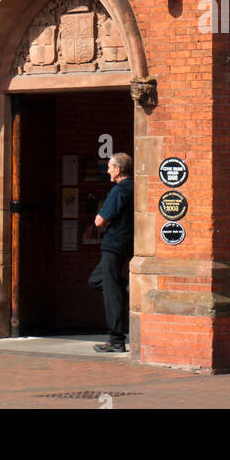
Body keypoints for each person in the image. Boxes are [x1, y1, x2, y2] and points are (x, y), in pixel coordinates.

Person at [91, 151, 133, 353]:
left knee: (111, 291)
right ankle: (129, 288)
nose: (107, 171)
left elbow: (100, 220)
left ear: (118, 169)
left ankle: (116, 340)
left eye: (109, 167)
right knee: (97, 280)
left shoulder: (118, 191)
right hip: (128, 244)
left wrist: (100, 218)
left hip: (114, 244)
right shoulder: (136, 187)